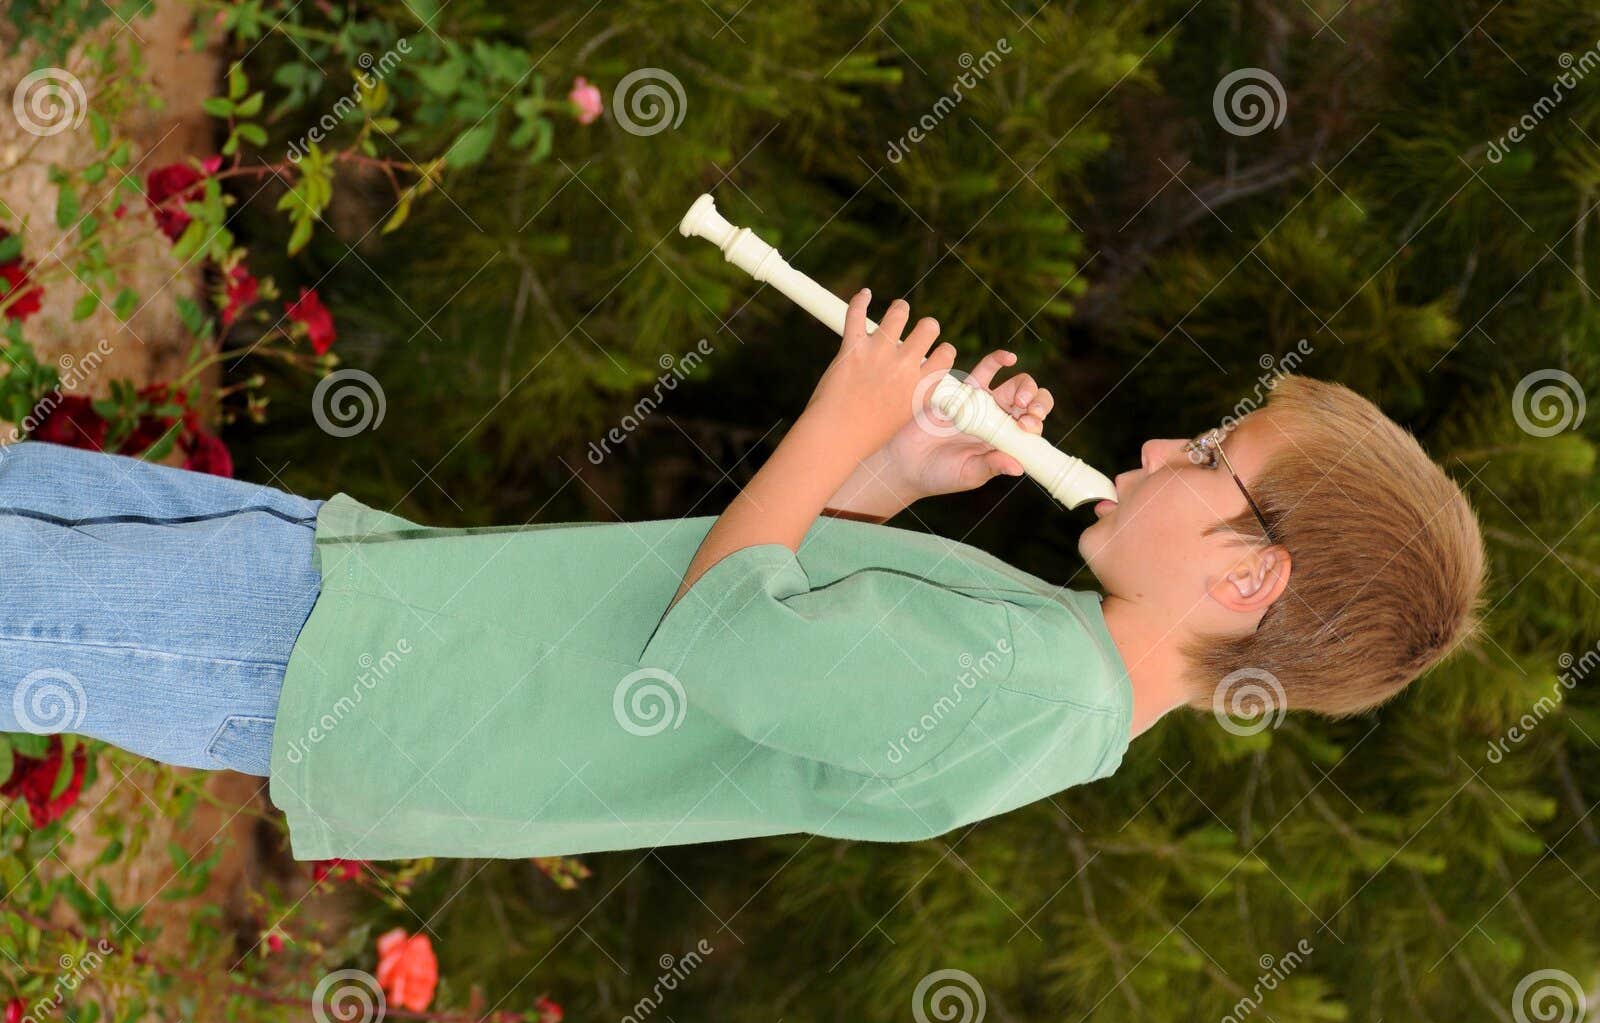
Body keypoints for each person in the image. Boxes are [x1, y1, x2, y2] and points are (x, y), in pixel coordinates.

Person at [0, 291, 1486, 861]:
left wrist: (835, 413)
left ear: (1245, 583)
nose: (1163, 441)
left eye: (1213, 453)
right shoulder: (1053, 658)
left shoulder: (1033, 688)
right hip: (384, 608)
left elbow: (718, 637)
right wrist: (889, 475)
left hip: (360, 668)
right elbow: (767, 595)